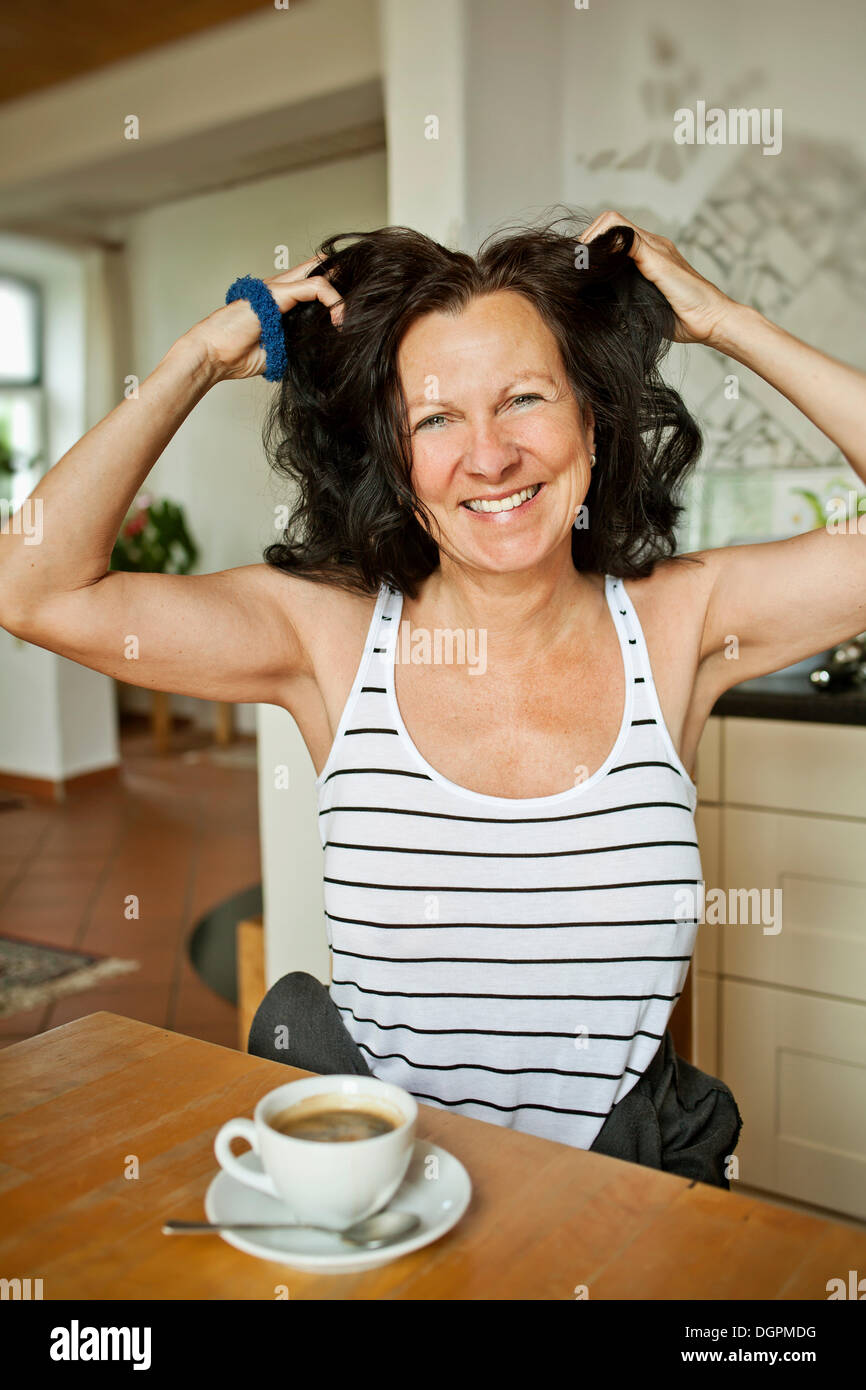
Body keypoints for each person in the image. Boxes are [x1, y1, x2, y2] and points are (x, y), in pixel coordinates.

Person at [3, 211, 865, 1190]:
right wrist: (199, 356)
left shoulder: (681, 621)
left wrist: (725, 321)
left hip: (617, 1196)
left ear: (590, 415)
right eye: (434, 417)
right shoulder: (323, 634)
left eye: (524, 398)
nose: (488, 456)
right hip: (379, 1188)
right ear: (389, 453)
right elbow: (32, 588)